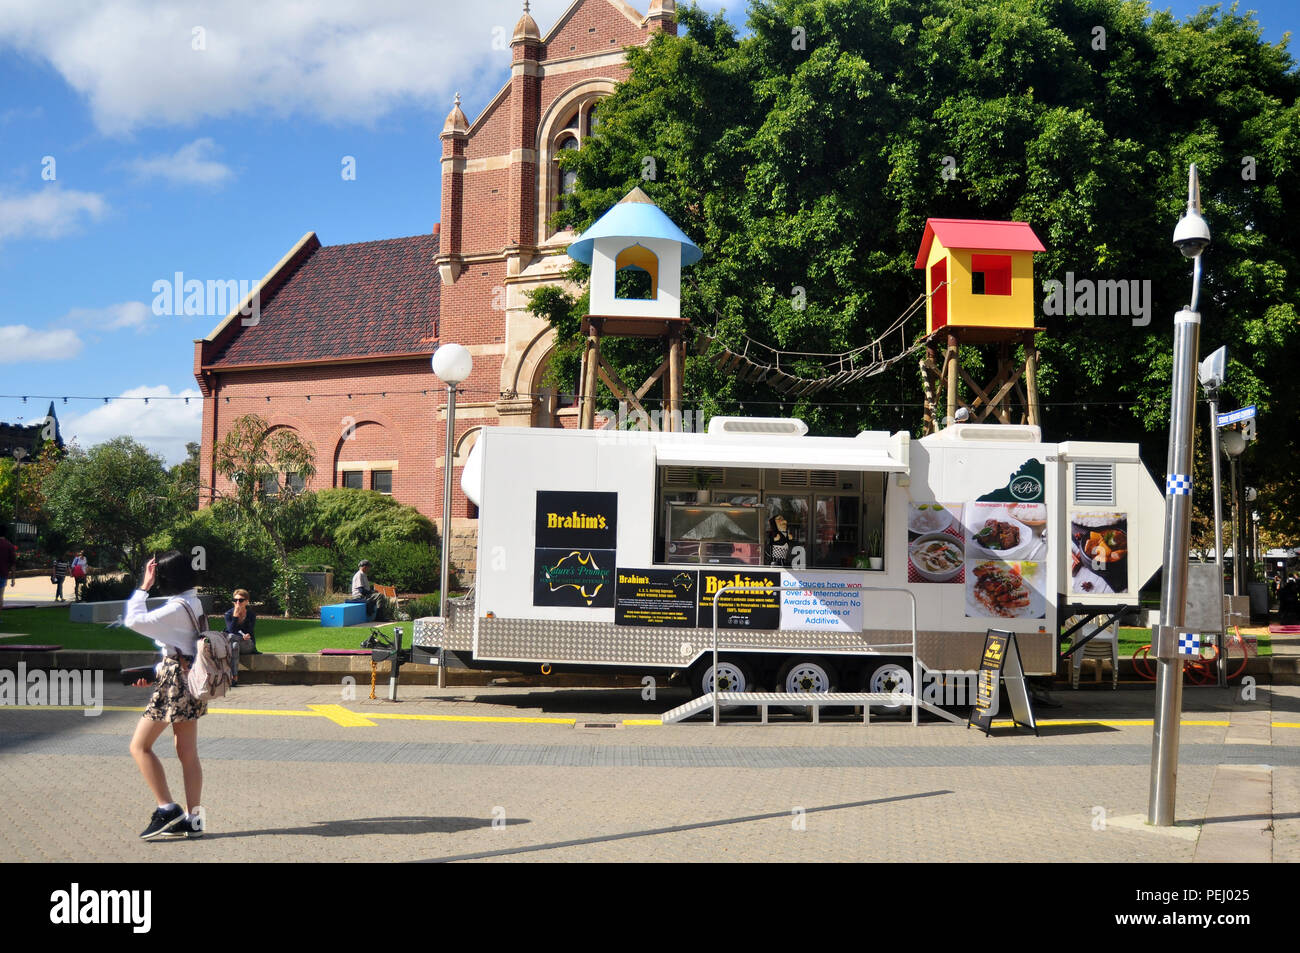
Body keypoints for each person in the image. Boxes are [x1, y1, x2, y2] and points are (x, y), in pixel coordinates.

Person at [124, 551, 209, 841]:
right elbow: (181, 646)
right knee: (188, 754)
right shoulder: (194, 602)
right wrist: (154, 670)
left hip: (174, 683)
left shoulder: (176, 608)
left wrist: (143, 587)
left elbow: (132, 621)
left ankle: (167, 808)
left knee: (139, 746)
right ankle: (194, 820)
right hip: (190, 681)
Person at [223, 588, 258, 685]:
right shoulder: (228, 614)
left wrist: (246, 635)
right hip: (235, 641)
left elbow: (249, 631)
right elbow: (231, 630)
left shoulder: (251, 614)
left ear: (247, 601)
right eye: (235, 600)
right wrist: (235, 616)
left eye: (241, 600)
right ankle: (234, 677)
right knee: (234, 645)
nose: (237, 602)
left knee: (229, 637)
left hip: (247, 644)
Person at [0, 528, 16, 611]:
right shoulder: (9, 546)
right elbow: (13, 563)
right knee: (0, 595)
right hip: (3, 573)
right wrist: (13, 579)